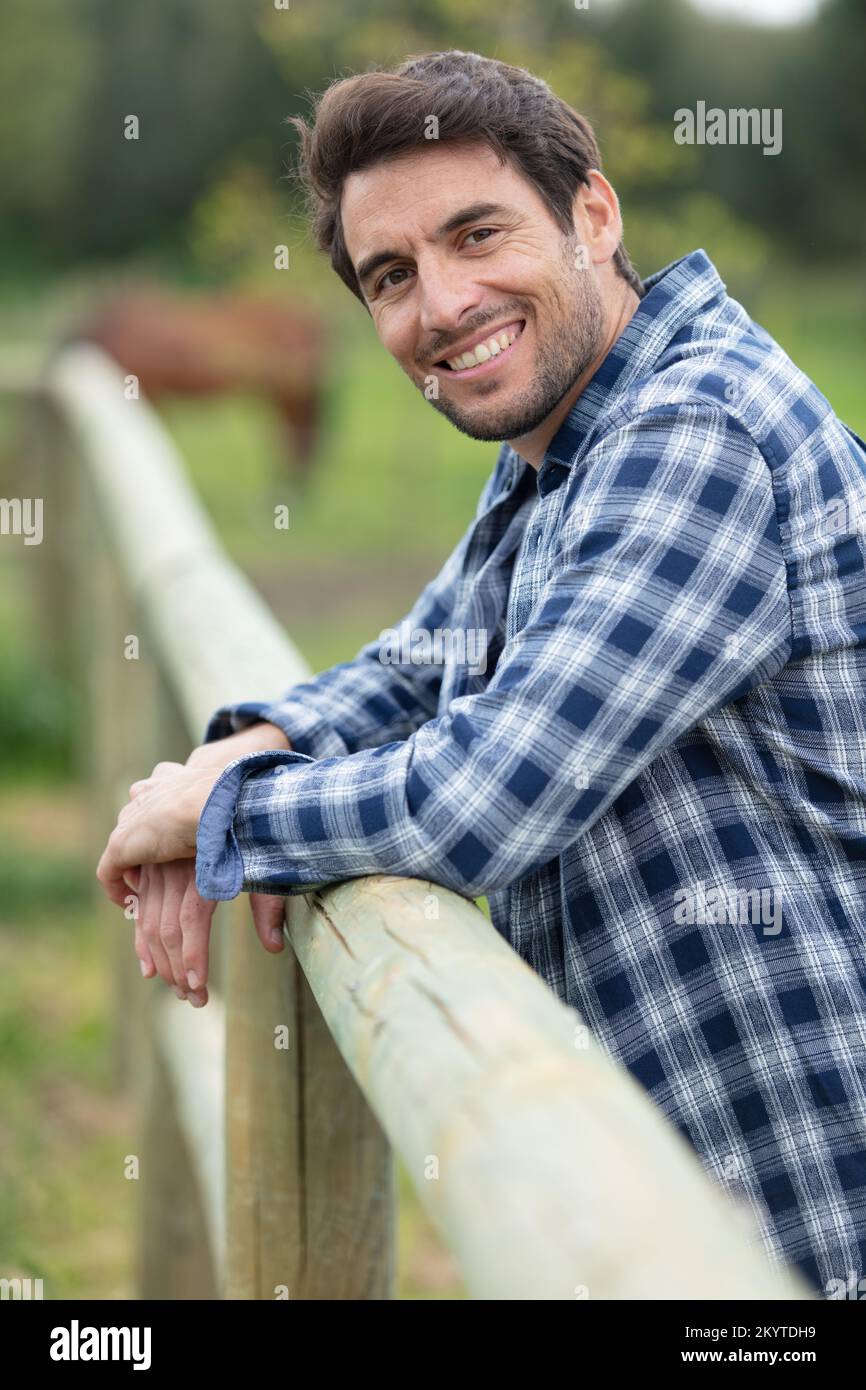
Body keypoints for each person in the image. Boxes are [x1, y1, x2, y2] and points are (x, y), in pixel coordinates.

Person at [97, 50, 866, 1296]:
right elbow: (414, 668)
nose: (444, 304)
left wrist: (225, 816)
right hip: (646, 1192)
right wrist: (243, 751)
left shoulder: (693, 429)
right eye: (391, 276)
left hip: (789, 1216)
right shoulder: (566, 442)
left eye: (476, 233)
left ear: (592, 215)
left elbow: (486, 797)